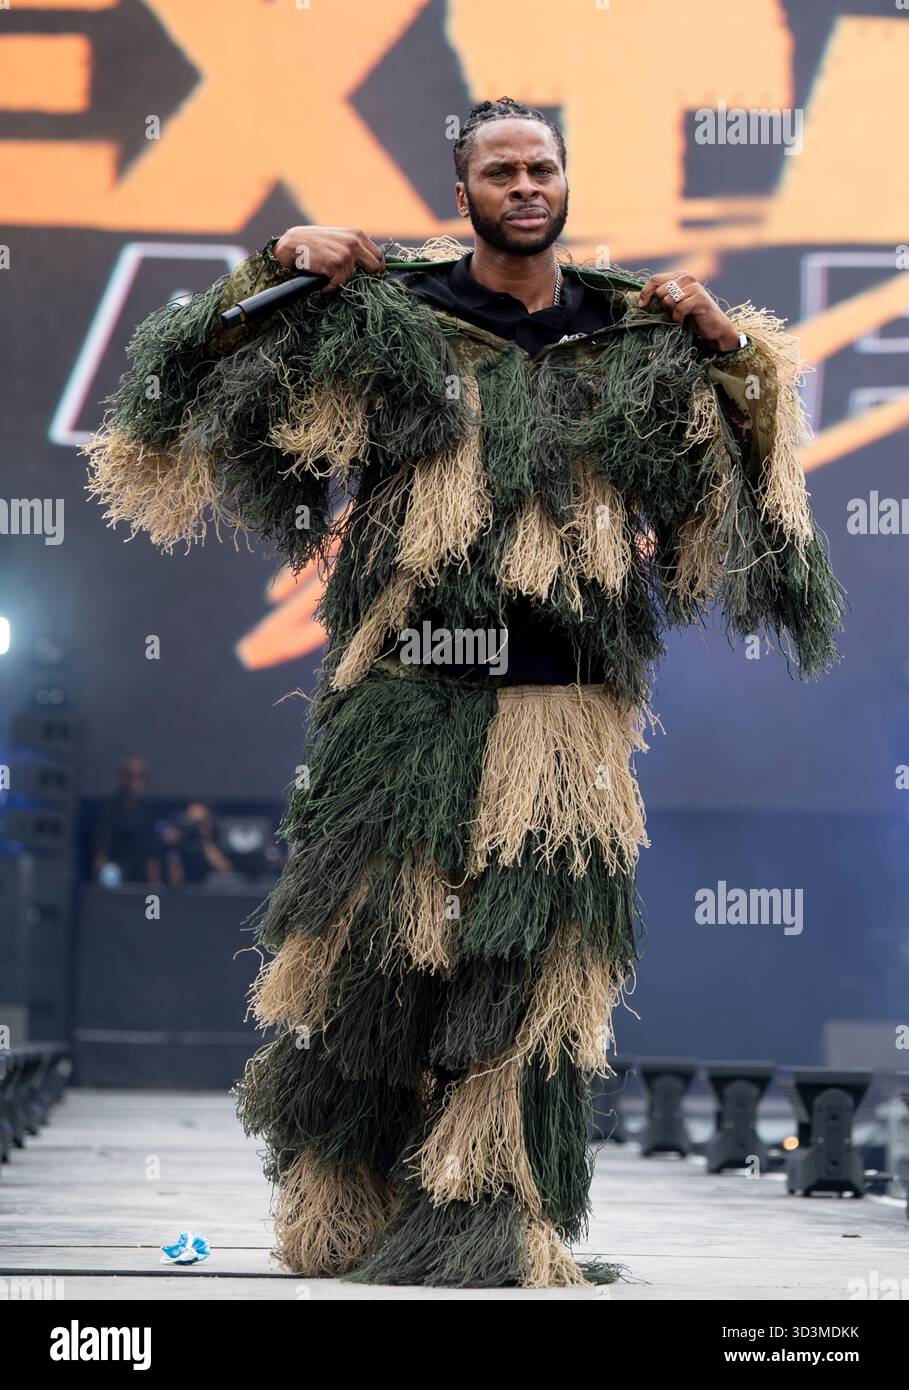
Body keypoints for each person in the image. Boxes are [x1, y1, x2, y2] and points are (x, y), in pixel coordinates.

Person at [86, 97, 845, 1288]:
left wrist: (734, 353)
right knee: (364, 975)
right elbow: (173, 395)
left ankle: (495, 1222)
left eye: (543, 166)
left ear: (566, 181)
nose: (527, 185)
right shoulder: (393, 317)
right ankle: (347, 1207)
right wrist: (275, 261)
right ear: (464, 193)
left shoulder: (629, 331)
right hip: (402, 708)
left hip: (567, 729)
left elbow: (759, 523)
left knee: (536, 985)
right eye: (502, 170)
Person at [93, 756, 161, 885]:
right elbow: (101, 850)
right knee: (111, 873)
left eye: (141, 776)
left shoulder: (149, 811)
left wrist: (155, 891)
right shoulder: (110, 809)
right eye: (131, 776)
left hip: (141, 872)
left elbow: (152, 854)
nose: (136, 781)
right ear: (123, 778)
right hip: (116, 870)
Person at [163, 802, 234, 887]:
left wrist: (205, 839)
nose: (196, 825)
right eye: (192, 821)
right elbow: (174, 882)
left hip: (211, 891)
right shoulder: (180, 841)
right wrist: (174, 847)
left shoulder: (219, 836)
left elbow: (226, 870)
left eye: (201, 821)